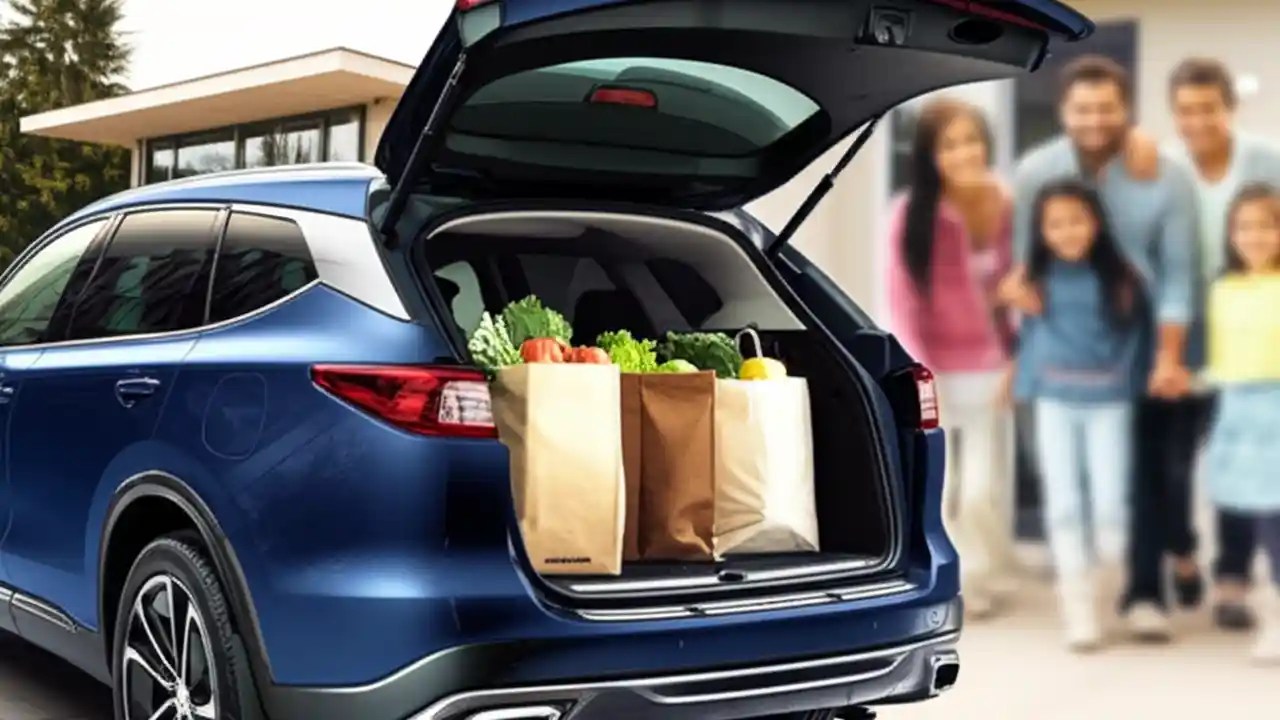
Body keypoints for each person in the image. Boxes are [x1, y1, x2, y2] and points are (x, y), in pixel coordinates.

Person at [1001, 55, 1199, 642]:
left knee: (1134, 488)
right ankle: (1088, 603)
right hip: (1059, 370)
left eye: (1107, 108)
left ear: (1126, 111)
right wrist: (1016, 351)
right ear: (1064, 112)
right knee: (1065, 497)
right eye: (1082, 108)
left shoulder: (1161, 175)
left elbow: (1179, 276)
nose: (1094, 119)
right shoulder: (1039, 169)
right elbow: (1023, 271)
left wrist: (1168, 355)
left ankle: (1140, 583)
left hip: (1139, 352)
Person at [885, 98, 1018, 618]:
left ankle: (983, 575)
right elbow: (903, 306)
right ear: (930, 155)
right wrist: (923, 374)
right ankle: (955, 578)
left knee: (984, 487)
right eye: (951, 144)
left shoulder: (1005, 207)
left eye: (973, 140)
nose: (966, 153)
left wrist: (1015, 359)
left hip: (990, 368)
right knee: (946, 485)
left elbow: (1019, 290)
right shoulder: (909, 216)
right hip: (936, 370)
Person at [1163, 57, 1280, 630]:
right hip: (1198, 330)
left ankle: (1251, 578)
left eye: (1209, 107)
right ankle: (1212, 565)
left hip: (1265, 324)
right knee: (1209, 466)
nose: (1199, 120)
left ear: (1229, 108)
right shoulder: (1167, 170)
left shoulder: (1267, 162)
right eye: (1186, 110)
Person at [1013, 180, 1143, 651]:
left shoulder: (1119, 276)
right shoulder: (1035, 280)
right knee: (1064, 505)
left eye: (1076, 220)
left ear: (1096, 223)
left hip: (1109, 400)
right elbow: (1029, 337)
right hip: (1054, 400)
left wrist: (1129, 387)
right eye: (1056, 224)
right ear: (1042, 230)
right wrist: (1023, 387)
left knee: (1110, 507)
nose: (1067, 232)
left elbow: (1134, 343)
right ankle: (1078, 606)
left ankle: (1107, 589)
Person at [1200, 183, 1280, 663]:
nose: (1255, 235)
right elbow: (1222, 357)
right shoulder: (1222, 289)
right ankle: (1264, 610)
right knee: (1248, 517)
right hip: (1235, 411)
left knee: (1277, 521)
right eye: (1244, 226)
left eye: (1267, 225)